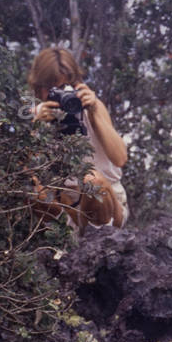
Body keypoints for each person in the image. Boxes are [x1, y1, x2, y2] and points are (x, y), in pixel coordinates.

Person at [27, 47, 128, 230]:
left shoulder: (92, 109)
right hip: (64, 206)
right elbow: (26, 172)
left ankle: (103, 238)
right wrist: (36, 127)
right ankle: (65, 240)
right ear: (38, 88)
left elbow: (120, 158)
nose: (61, 96)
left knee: (92, 181)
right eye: (52, 90)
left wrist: (94, 112)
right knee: (33, 188)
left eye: (66, 87)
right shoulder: (35, 117)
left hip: (105, 202)